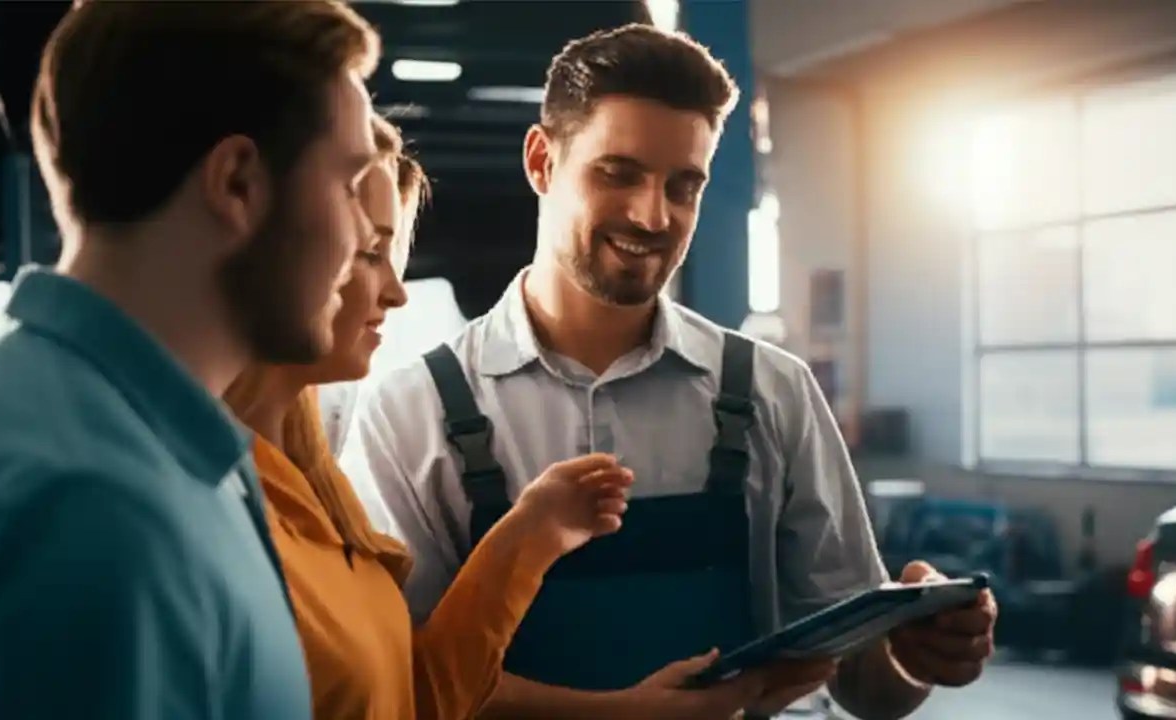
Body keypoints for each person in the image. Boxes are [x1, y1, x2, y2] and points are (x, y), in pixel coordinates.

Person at [343, 23, 997, 720]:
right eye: (617, 173)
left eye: (684, 185)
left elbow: (864, 686)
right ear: (541, 161)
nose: (652, 215)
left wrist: (916, 654)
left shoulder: (773, 393)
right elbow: (405, 684)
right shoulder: (413, 413)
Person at [0, 2, 381, 718]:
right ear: (236, 182)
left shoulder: (148, 444)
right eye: (348, 185)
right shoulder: (87, 514)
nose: (362, 233)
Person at [225, 117, 638, 720]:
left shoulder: (311, 482)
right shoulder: (209, 498)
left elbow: (410, 700)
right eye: (369, 253)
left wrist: (527, 538)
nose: (397, 292)